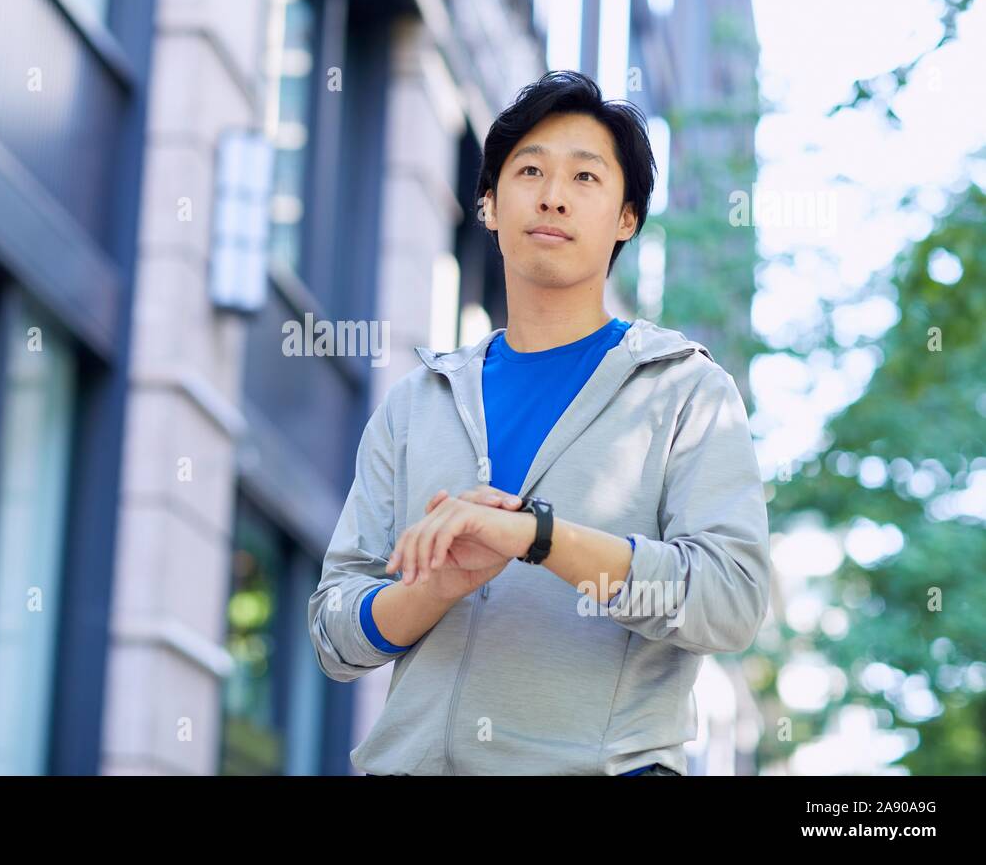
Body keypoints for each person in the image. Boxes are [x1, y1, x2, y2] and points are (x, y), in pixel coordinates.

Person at [308, 70, 771, 776]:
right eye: (529, 171)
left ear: (627, 218)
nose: (553, 194)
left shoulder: (685, 391)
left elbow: (728, 601)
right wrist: (436, 587)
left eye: (586, 178)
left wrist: (540, 538)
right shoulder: (417, 401)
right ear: (489, 205)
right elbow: (336, 634)